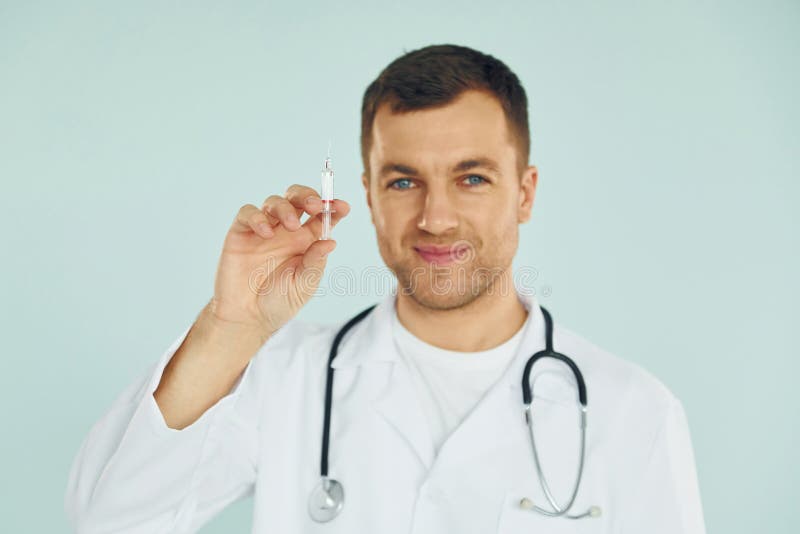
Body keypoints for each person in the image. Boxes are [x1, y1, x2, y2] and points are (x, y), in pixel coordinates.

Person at [64, 44, 707, 533]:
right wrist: (231, 325)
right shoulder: (284, 378)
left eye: (472, 178)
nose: (436, 218)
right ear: (369, 196)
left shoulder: (635, 413)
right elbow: (107, 521)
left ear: (525, 193)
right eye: (403, 181)